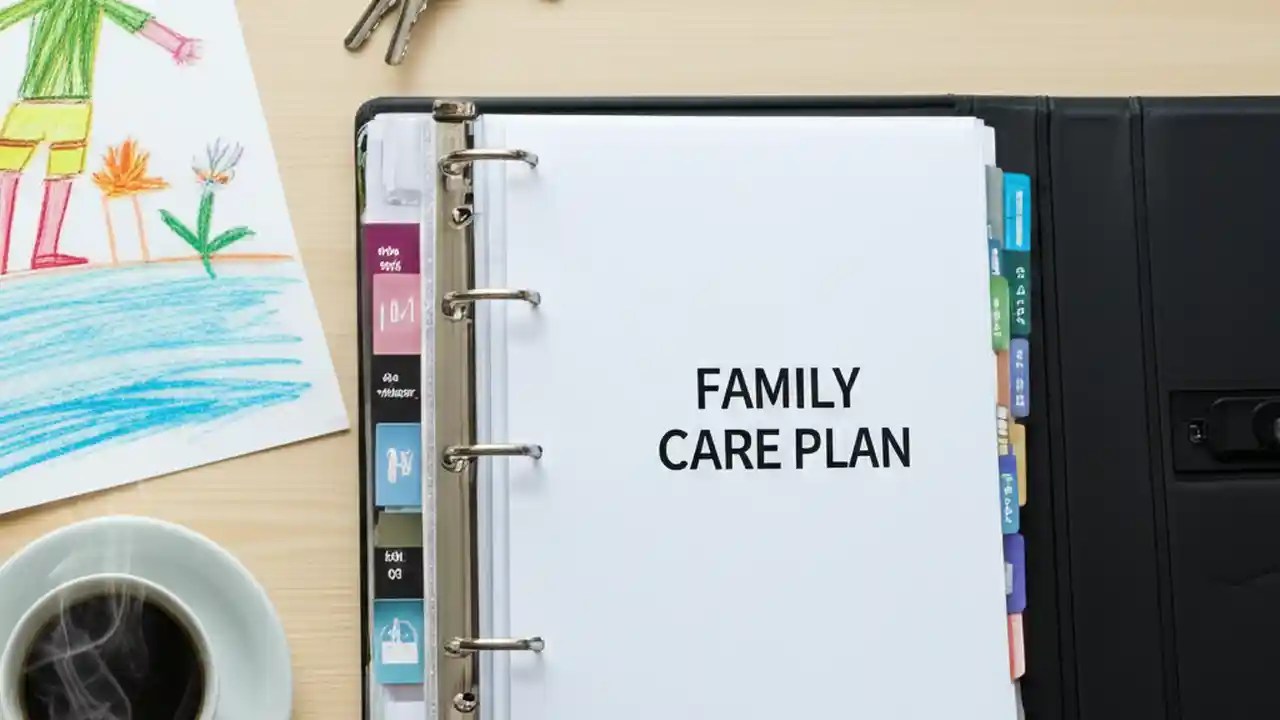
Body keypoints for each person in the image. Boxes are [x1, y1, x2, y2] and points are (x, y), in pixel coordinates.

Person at [0, 0, 200, 273]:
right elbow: (134, 20)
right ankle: (43, 251)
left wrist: (177, 45)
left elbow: (8, 15)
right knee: (53, 177)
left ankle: (39, 251)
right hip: (71, 104)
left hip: (36, 104)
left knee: (14, 174)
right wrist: (177, 45)